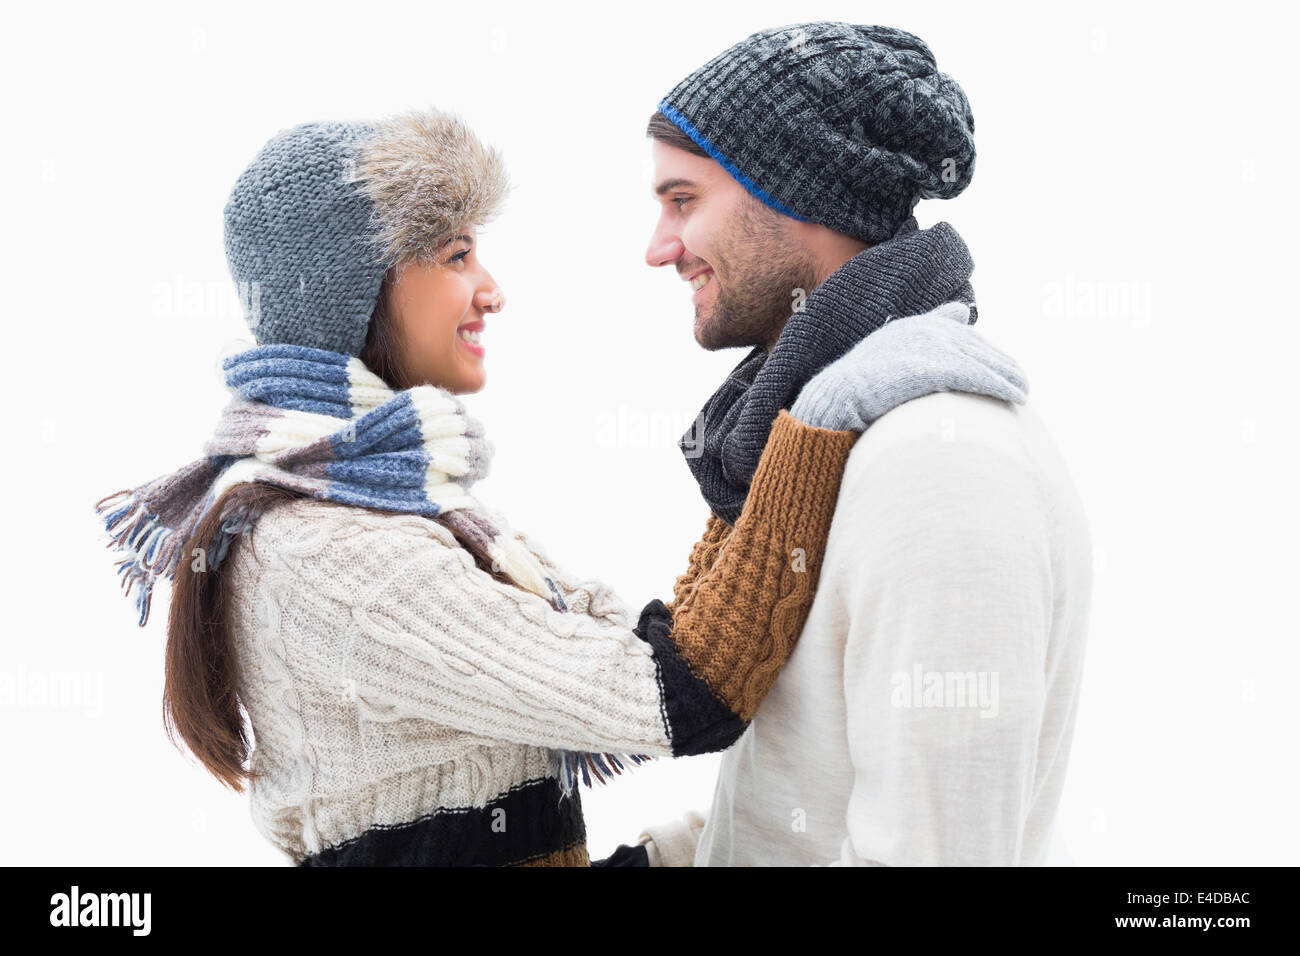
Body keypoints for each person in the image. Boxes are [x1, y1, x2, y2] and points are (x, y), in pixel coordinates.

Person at [91, 104, 1029, 866]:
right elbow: (685, 689)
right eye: (456, 254)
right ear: (361, 290)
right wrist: (813, 419)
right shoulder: (328, 551)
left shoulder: (396, 508)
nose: (491, 288)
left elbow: (626, 661)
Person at [633, 22, 1094, 865]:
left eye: (684, 200)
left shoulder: (938, 462)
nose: (659, 248)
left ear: (796, 193)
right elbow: (805, 798)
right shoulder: (827, 436)